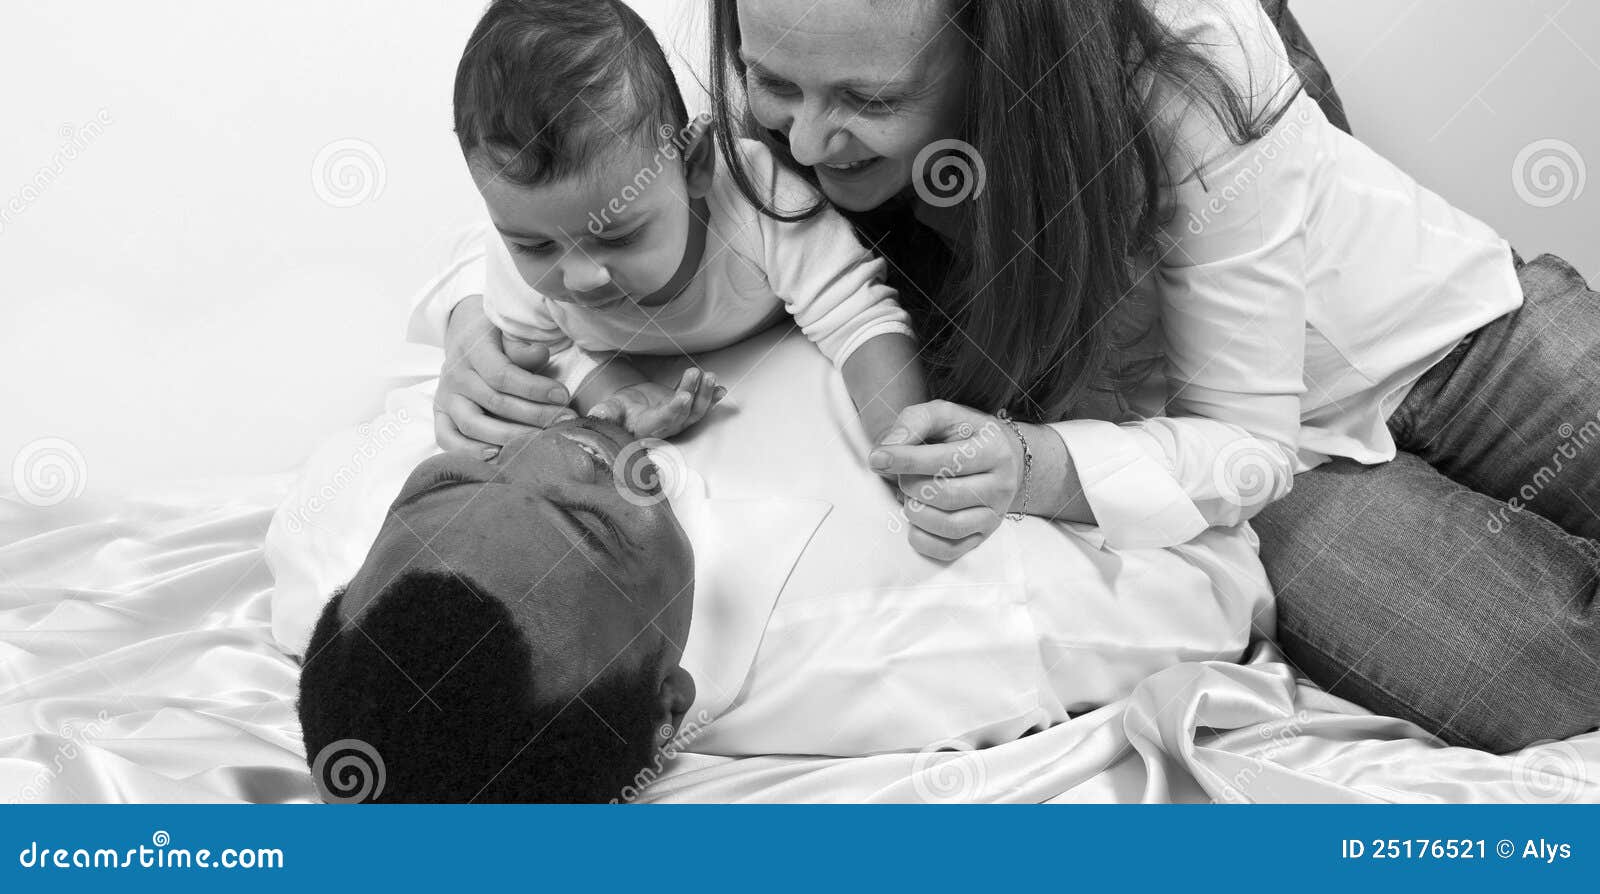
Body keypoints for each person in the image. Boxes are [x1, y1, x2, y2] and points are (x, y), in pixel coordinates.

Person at [424, 0, 1600, 752]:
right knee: (1554, 682)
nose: (804, 138)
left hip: (1442, 329)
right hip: (1265, 480)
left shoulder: (1173, 62)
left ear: (996, 47)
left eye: (868, 100)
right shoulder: (777, 164)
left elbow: (1244, 418)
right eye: (770, 76)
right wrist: (479, 320)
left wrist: (1033, 465)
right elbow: (602, 206)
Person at [295, 384, 1271, 802]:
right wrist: (1035, 463)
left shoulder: (332, 515)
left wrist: (477, 318)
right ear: (662, 707)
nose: (554, 440)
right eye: (590, 516)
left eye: (458, 474)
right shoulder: (926, 632)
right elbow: (1224, 570)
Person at [447, 0, 924, 444]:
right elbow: (549, 351)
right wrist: (619, 391)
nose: (580, 279)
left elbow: (861, 321)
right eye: (533, 245)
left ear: (695, 164)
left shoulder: (764, 203)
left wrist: (901, 439)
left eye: (617, 235)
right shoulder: (512, 266)